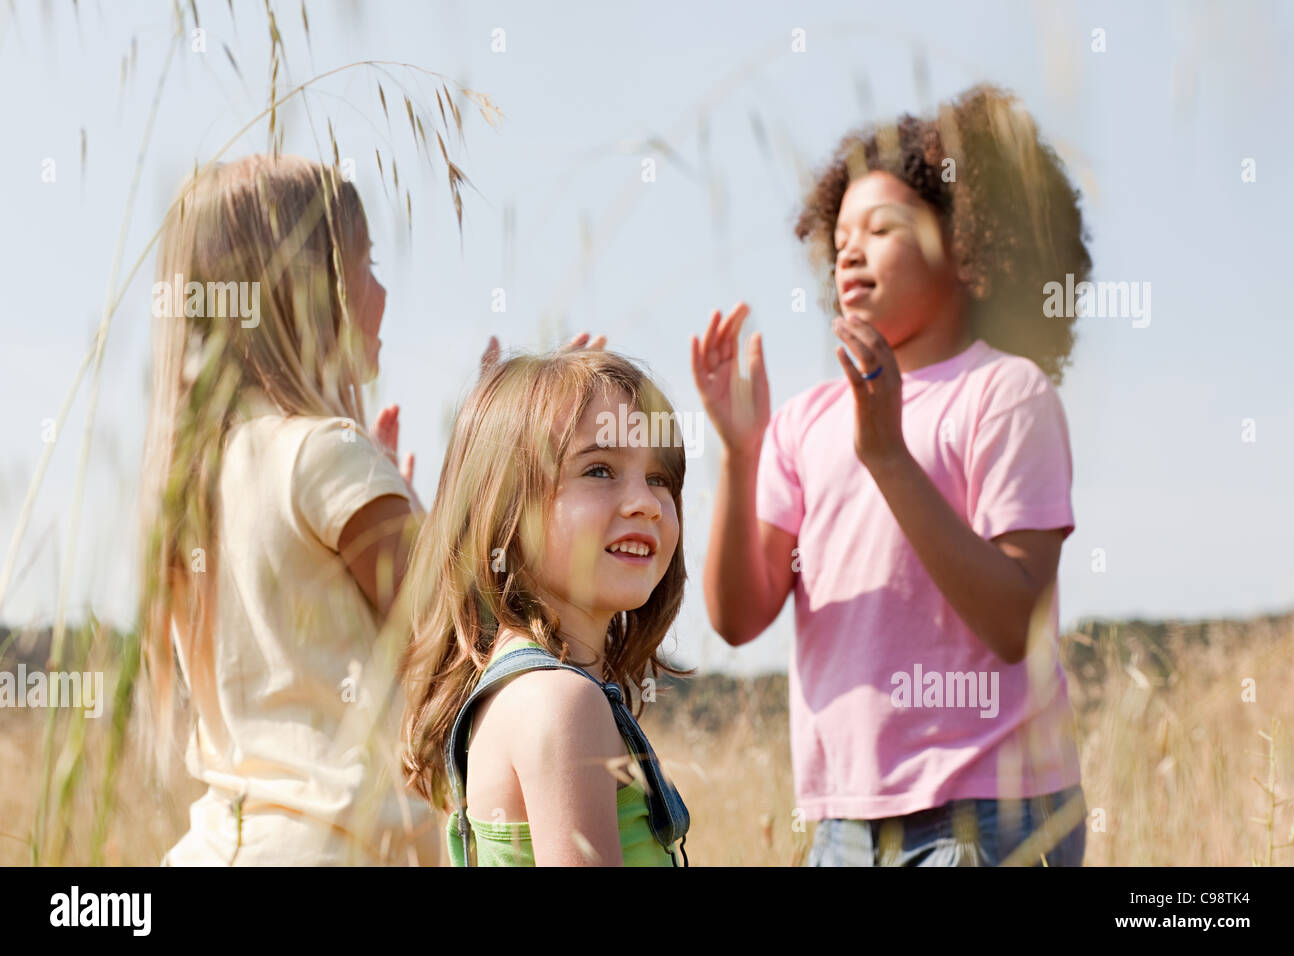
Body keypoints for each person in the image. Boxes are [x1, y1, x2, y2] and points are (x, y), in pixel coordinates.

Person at [692, 84, 1092, 866]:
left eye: (881, 228)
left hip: (988, 813)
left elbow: (1017, 619)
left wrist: (888, 457)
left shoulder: (1005, 393)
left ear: (966, 245)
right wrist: (741, 455)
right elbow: (739, 617)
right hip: (844, 827)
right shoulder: (807, 421)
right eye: (839, 235)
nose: (849, 249)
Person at [139, 153, 432, 865]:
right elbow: (452, 635)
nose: (382, 291)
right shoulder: (325, 453)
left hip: (219, 845)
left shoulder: (191, 479)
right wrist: (495, 478)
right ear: (309, 292)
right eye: (366, 264)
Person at [401, 349, 691, 866]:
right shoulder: (560, 703)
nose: (645, 502)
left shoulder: (516, 690)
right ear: (504, 507)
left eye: (659, 478)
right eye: (600, 469)